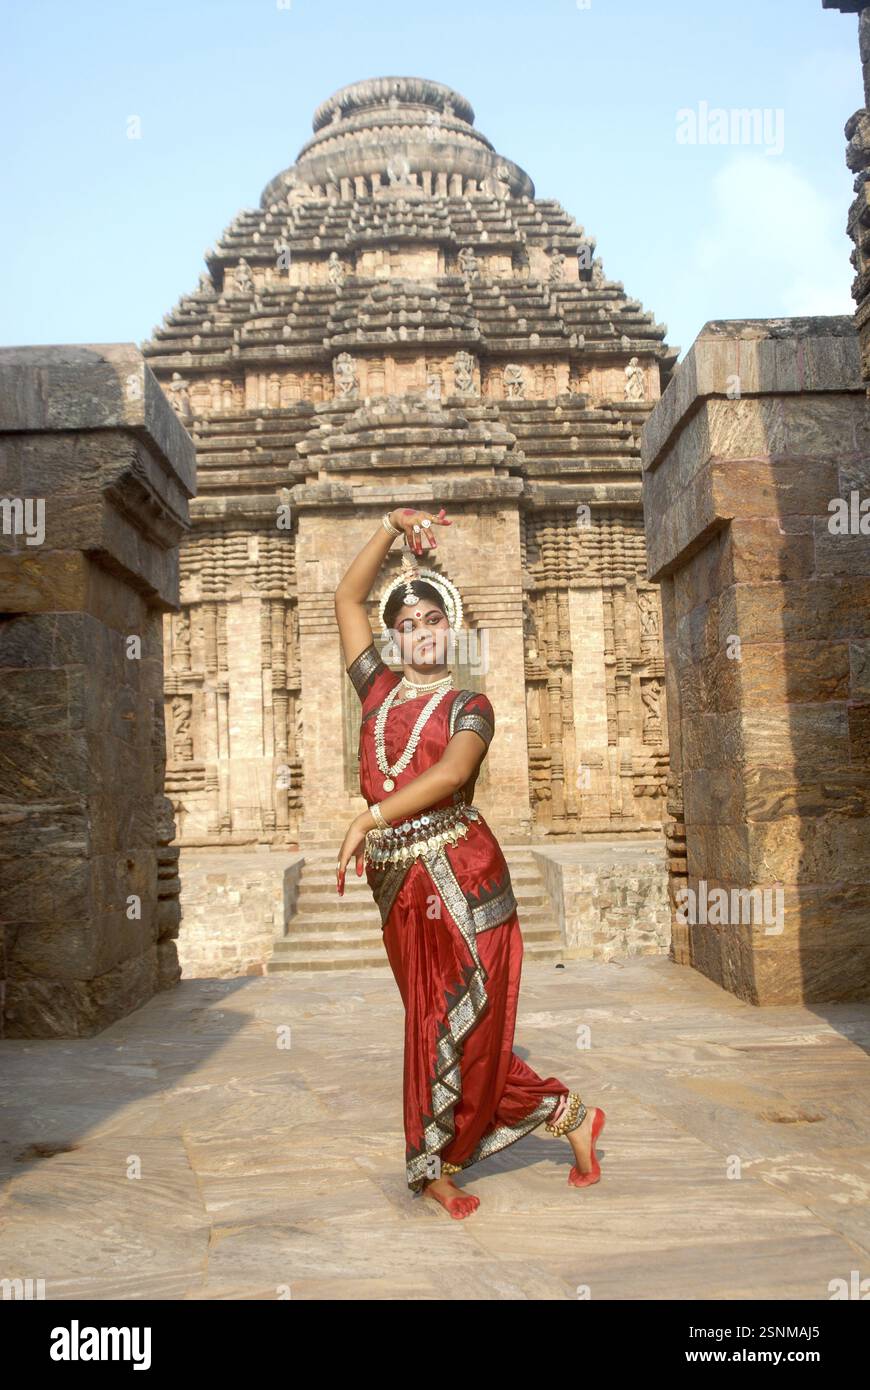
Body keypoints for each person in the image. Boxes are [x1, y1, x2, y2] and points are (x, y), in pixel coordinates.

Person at [333, 506, 605, 1219]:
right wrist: (391, 527)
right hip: (399, 882)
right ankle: (568, 1114)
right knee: (450, 1026)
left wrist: (370, 814)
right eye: (407, 623)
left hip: (465, 877)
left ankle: (433, 1169)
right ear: (394, 635)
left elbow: (452, 776)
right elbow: (343, 597)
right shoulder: (377, 691)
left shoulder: (469, 705)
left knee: (450, 1020)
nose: (420, 632)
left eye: (431, 620)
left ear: (449, 628)